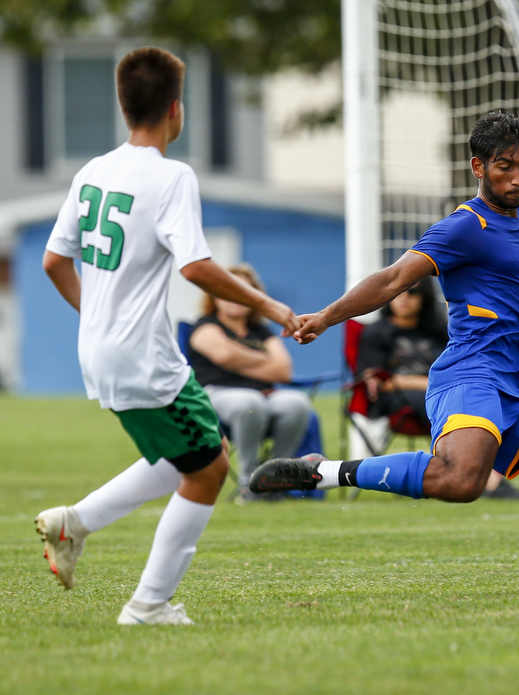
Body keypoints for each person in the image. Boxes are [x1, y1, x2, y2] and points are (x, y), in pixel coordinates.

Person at [251, 94, 519, 593]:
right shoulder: (465, 226)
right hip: (470, 376)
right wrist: (327, 316)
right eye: (504, 167)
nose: (517, 178)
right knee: (462, 482)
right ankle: (325, 472)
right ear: (478, 167)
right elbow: (394, 278)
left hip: (514, 387)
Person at [34, 47, 299, 624]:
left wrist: (96, 315)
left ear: (123, 106)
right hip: (143, 355)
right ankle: (148, 605)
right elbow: (196, 267)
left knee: (193, 454)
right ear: (176, 109)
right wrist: (268, 304)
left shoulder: (92, 170)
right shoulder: (172, 175)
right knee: (210, 470)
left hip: (100, 351)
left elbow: (54, 261)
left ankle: (74, 523)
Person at [355, 277, 519, 499]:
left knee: (483, 403)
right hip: (395, 400)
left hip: (442, 392)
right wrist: (426, 383)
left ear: (425, 296)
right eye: (399, 292)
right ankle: (483, 478)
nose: (404, 298)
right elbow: (377, 382)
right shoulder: (376, 332)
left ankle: (485, 474)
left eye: (412, 292)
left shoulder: (438, 329)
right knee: (445, 404)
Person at [187, 263, 314, 502]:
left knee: (297, 403)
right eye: (228, 291)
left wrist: (239, 359)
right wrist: (264, 359)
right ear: (215, 297)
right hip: (216, 394)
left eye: (243, 291)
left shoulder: (261, 331)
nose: (235, 298)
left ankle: (276, 478)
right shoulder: (204, 326)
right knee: (249, 402)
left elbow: (283, 370)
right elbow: (224, 355)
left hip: (264, 395)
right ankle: (249, 483)